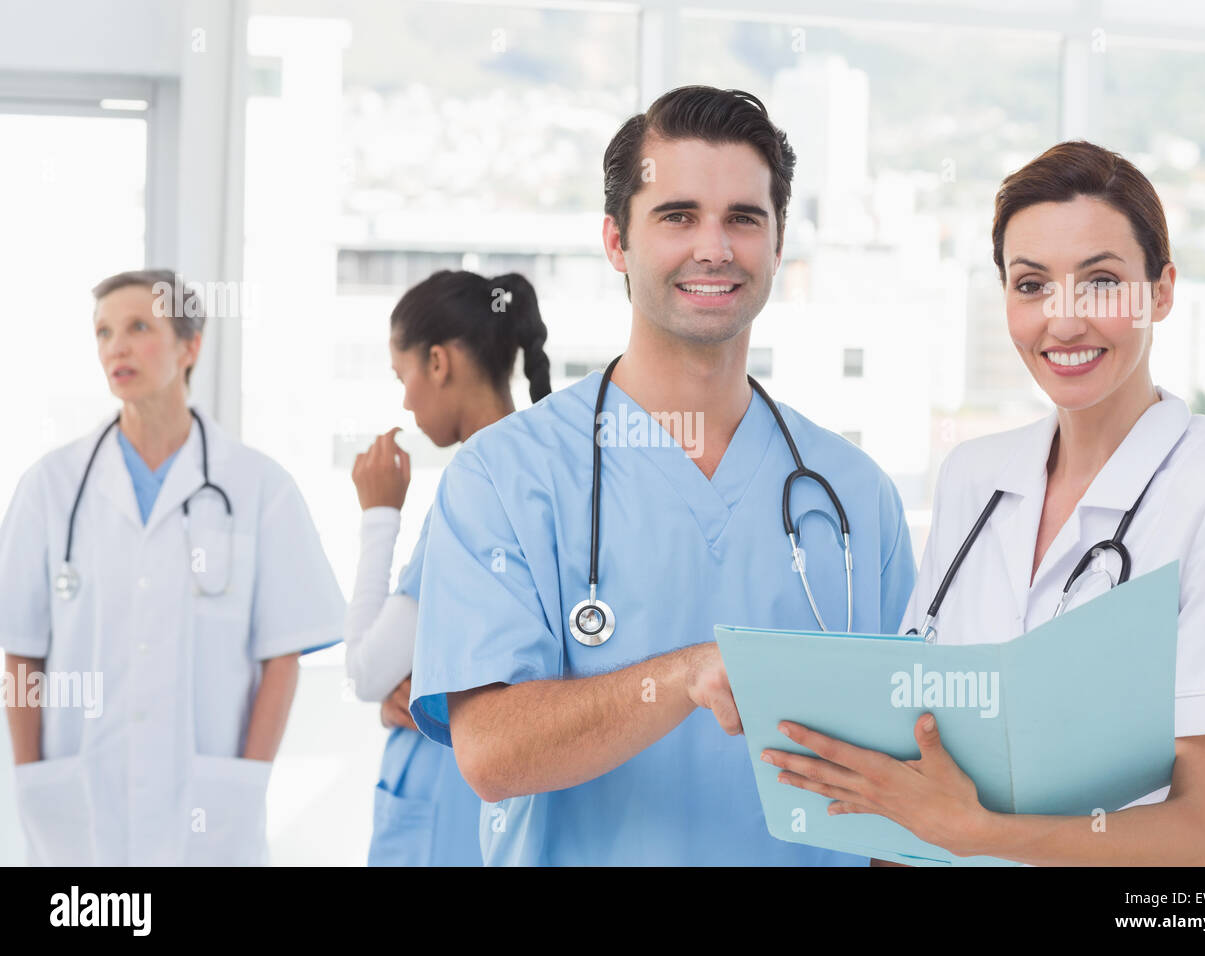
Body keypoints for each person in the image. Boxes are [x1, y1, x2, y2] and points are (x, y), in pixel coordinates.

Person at [407, 85, 916, 865]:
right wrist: (685, 677)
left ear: (778, 245)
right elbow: (491, 754)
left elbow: (898, 782)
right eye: (678, 216)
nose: (714, 248)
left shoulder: (853, 494)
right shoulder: (503, 477)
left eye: (743, 219)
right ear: (617, 241)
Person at [761, 141, 1205, 866]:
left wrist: (975, 832)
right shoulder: (972, 479)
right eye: (1032, 284)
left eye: (1101, 282)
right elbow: (919, 743)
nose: (1064, 321)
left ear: (1162, 291)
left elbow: (1203, 836)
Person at [0, 269, 344, 866]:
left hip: (210, 810)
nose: (117, 347)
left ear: (191, 346)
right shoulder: (50, 486)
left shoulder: (258, 486)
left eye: (138, 327)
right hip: (76, 804)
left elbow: (280, 657)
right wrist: (33, 778)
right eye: (104, 332)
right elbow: (20, 651)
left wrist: (248, 777)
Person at [345, 270, 551, 866]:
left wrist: (379, 515)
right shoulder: (547, 473)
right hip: (508, 802)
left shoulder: (472, 493)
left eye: (402, 375)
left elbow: (365, 670)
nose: (405, 400)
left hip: (447, 803)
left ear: (438, 362)